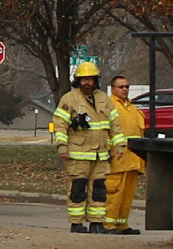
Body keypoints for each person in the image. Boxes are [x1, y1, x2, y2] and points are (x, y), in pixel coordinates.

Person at [51, 60, 128, 234]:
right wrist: (62, 146)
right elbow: (60, 124)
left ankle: (96, 223)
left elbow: (115, 124)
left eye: (90, 79)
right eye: (83, 79)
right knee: (78, 188)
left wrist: (120, 145)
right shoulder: (69, 99)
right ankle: (76, 223)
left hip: (100, 154)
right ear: (77, 80)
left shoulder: (104, 99)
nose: (87, 82)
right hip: (78, 154)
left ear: (96, 80)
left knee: (99, 189)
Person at [105, 74, 145, 229]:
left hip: (133, 160)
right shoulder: (109, 106)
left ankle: (122, 224)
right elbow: (104, 131)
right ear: (113, 89)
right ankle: (108, 224)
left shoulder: (133, 108)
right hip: (116, 159)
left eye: (127, 86)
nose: (125, 89)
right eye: (121, 87)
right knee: (114, 192)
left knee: (127, 195)